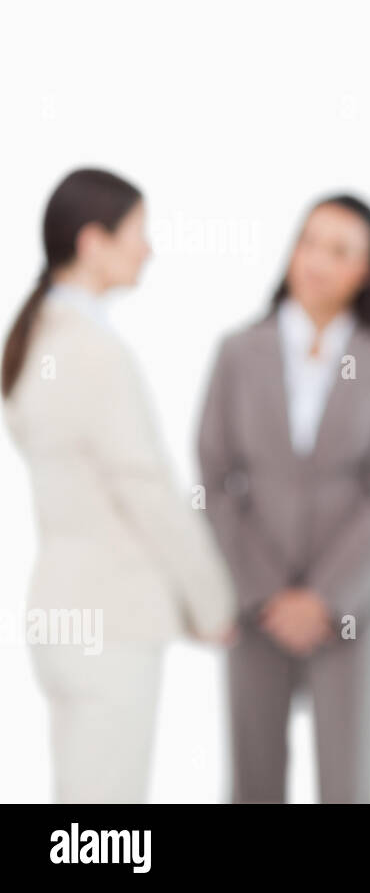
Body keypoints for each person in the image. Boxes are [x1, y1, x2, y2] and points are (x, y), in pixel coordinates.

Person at [2, 168, 236, 802]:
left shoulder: (39, 342)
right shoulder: (94, 353)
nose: (149, 248)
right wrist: (212, 603)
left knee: (82, 806)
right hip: (110, 618)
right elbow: (148, 492)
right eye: (137, 232)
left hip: (60, 609)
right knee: (106, 820)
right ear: (92, 241)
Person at [197, 194, 370, 803]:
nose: (318, 260)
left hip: (347, 611)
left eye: (340, 250)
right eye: (309, 242)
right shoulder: (239, 351)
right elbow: (213, 479)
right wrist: (268, 592)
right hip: (255, 603)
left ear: (367, 273)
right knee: (253, 782)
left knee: (348, 782)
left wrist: (323, 597)